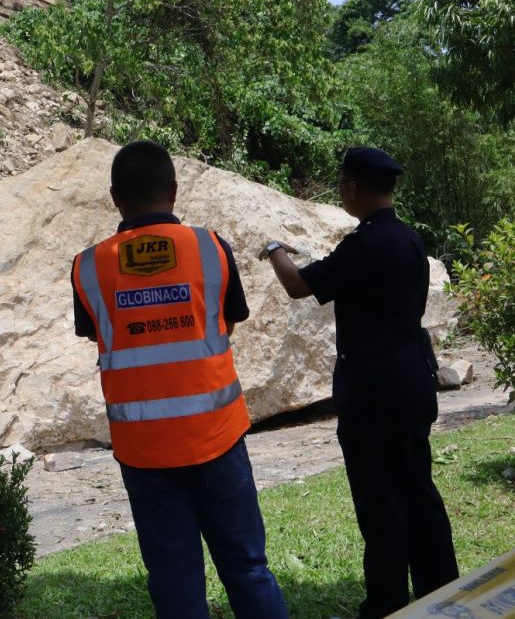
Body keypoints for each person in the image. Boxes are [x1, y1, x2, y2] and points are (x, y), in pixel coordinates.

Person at [71, 140, 288, 619]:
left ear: (114, 198)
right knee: (248, 568)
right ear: (173, 190)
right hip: (218, 439)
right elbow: (228, 319)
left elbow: (99, 335)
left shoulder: (88, 267)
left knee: (173, 578)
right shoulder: (210, 248)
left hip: (144, 450)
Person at [261, 146, 458, 619]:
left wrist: (273, 250)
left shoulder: (365, 244)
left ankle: (386, 605)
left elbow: (298, 285)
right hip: (412, 384)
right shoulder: (409, 239)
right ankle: (444, 592)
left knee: (380, 503)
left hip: (373, 395)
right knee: (418, 490)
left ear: (352, 188)